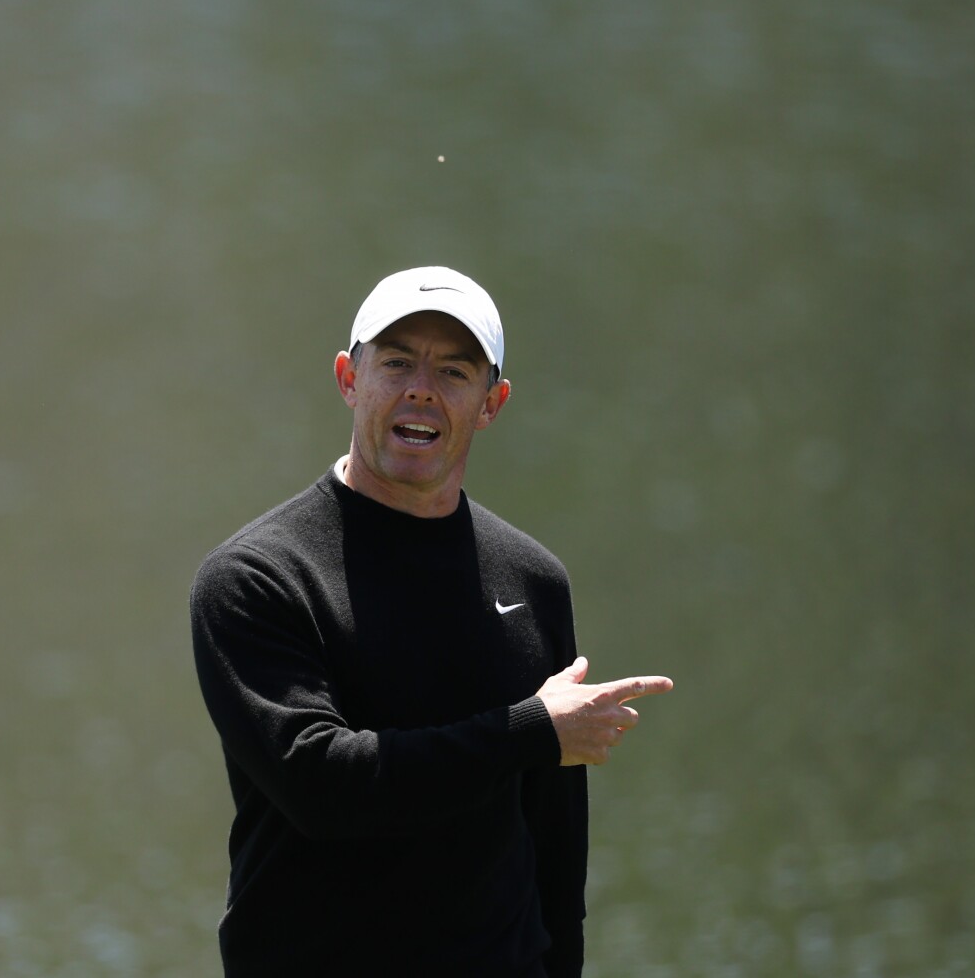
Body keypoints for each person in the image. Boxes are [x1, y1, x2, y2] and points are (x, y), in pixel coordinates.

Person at [189, 266, 673, 976]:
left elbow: (556, 852)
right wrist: (529, 729)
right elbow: (324, 788)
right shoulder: (257, 578)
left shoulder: (532, 580)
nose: (421, 387)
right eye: (395, 362)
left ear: (492, 402)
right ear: (349, 379)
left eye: (453, 369)